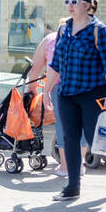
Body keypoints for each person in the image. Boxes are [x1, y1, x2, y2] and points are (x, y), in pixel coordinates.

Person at [45, 0, 106, 201]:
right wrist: (47, 90)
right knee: (70, 139)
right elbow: (55, 64)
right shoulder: (64, 29)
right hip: (66, 94)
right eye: (67, 2)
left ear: (87, 5)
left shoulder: (99, 31)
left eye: (74, 2)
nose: (70, 6)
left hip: (93, 93)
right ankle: (73, 187)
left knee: (96, 142)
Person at [29, 23, 70, 178]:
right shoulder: (87, 36)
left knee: (63, 125)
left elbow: (36, 68)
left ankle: (66, 166)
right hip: (85, 88)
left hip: (59, 87)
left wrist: (32, 89)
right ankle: (80, 165)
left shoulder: (51, 39)